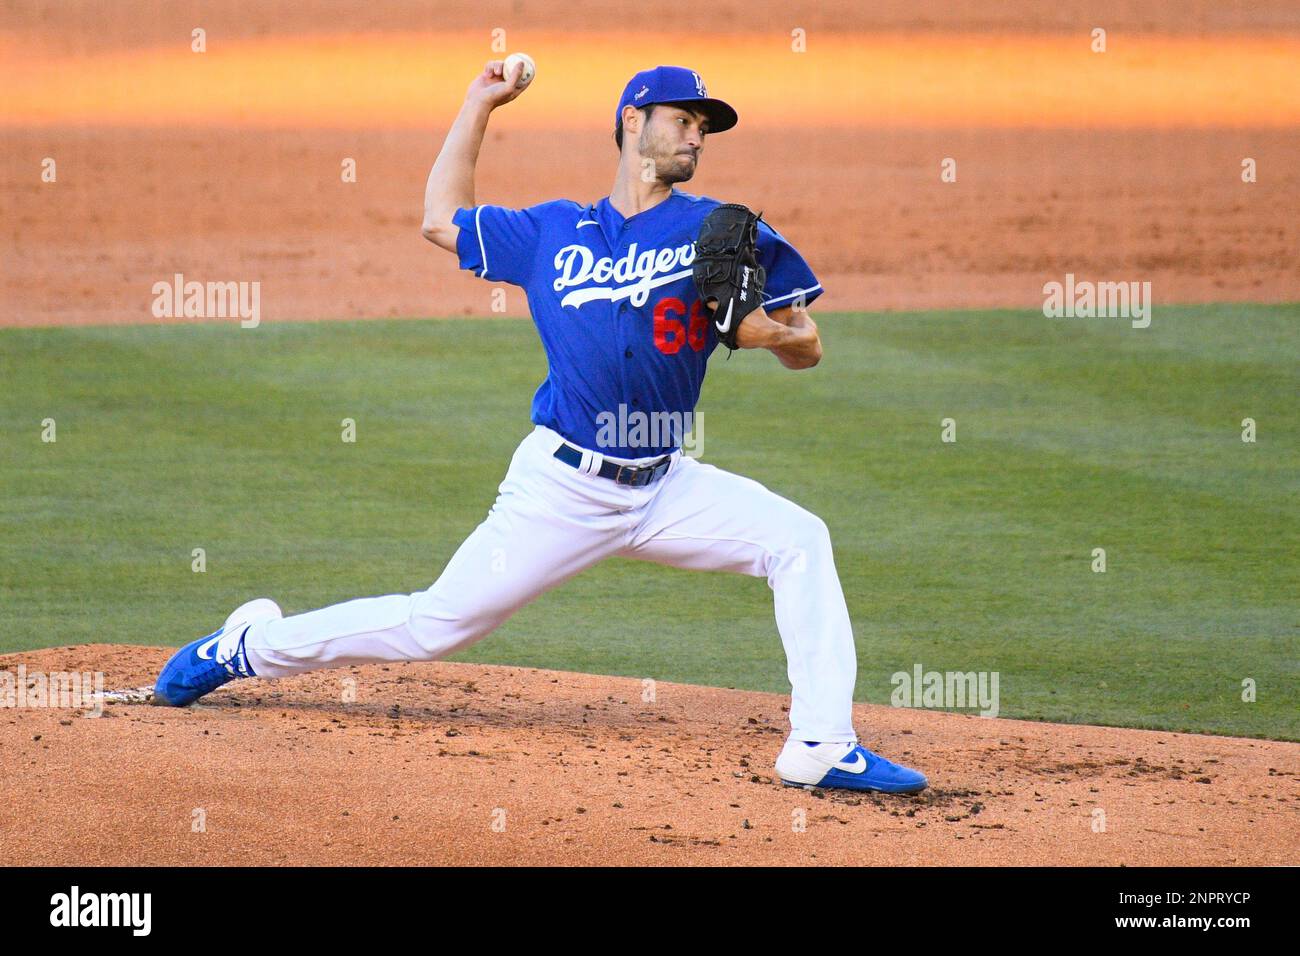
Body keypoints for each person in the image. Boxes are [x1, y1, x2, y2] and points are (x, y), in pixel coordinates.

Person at [153, 62, 928, 794]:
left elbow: (809, 347)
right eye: (684, 120)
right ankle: (246, 647)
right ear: (634, 121)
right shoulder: (554, 232)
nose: (697, 136)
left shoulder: (719, 230)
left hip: (665, 486)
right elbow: (438, 220)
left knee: (799, 538)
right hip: (561, 487)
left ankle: (820, 746)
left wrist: (755, 331)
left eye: (704, 127)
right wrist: (479, 104)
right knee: (436, 625)